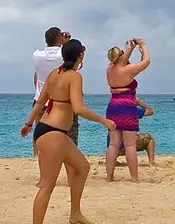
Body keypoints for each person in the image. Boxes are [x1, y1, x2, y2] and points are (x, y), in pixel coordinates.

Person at [21, 39, 116, 224]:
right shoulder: (74, 77)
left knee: (82, 167)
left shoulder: (53, 74)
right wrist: (103, 120)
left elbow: (40, 102)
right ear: (80, 55)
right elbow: (79, 109)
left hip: (45, 131)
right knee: (47, 186)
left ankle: (75, 214)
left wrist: (29, 123)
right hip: (53, 134)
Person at [105, 38, 151, 182]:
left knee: (113, 144)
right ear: (120, 57)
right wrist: (143, 46)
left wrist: (129, 49)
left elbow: (121, 61)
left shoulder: (109, 69)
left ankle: (109, 177)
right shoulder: (127, 70)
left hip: (113, 107)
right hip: (127, 107)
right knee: (130, 144)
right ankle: (134, 178)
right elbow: (146, 62)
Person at [32, 27, 78, 154]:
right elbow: (74, 62)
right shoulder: (63, 54)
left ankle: (37, 156)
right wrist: (67, 42)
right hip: (62, 101)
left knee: (40, 134)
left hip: (40, 100)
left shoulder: (37, 55)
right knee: (69, 133)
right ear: (60, 38)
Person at [107, 99, 156, 166]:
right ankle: (151, 163)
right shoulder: (133, 110)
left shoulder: (112, 110)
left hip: (113, 149)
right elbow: (150, 111)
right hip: (128, 147)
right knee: (149, 138)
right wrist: (139, 103)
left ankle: (113, 160)